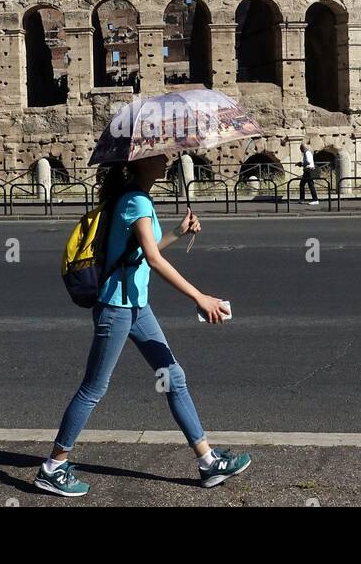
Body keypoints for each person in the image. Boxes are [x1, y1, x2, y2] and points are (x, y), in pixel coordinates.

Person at [37, 154, 252, 497]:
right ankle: (53, 466)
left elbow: (140, 252)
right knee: (94, 389)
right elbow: (152, 258)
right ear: (142, 163)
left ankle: (208, 461)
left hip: (136, 306)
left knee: (173, 377)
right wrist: (199, 297)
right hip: (116, 309)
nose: (167, 160)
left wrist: (177, 233)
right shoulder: (134, 200)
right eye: (160, 157)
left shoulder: (137, 199)